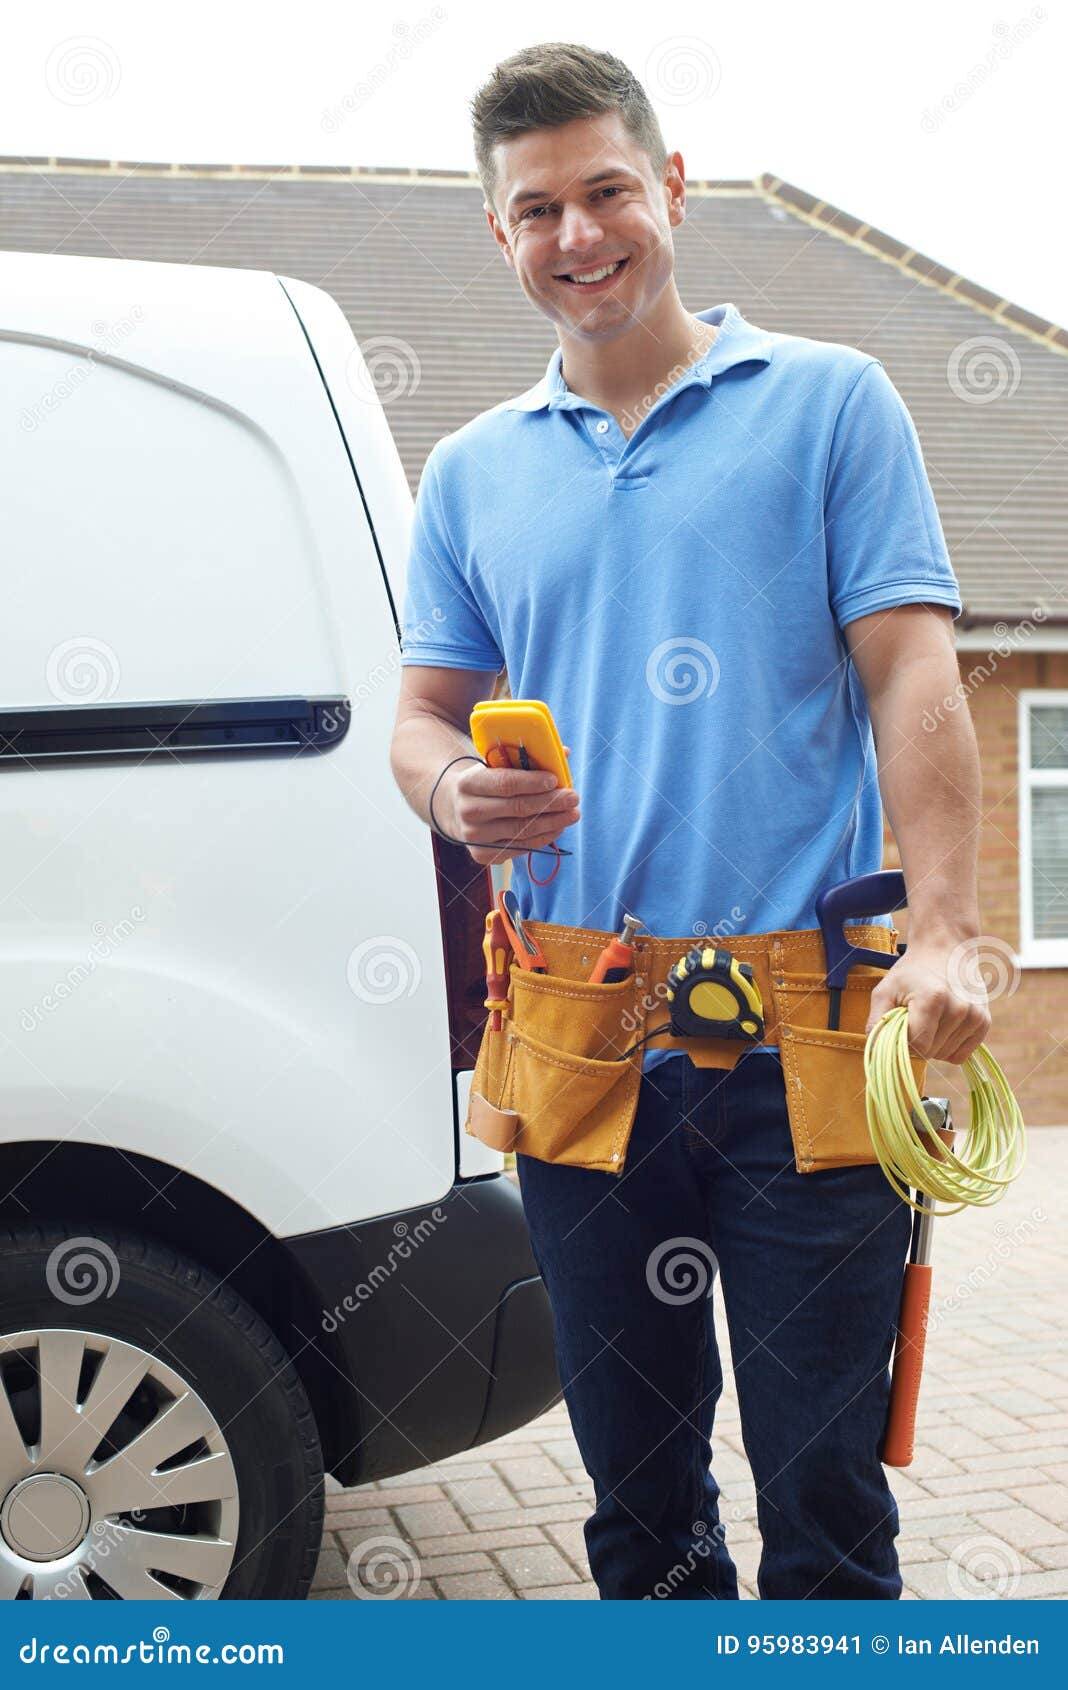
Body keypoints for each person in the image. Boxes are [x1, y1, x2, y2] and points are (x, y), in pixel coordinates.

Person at [390, 41, 990, 1599]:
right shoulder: (470, 474)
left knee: (823, 1495)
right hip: (581, 1041)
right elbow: (417, 720)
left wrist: (947, 932)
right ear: (499, 234)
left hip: (810, 1036)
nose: (577, 235)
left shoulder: (830, 406)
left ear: (670, 185)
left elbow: (916, 676)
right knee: (639, 1512)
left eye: (604, 191)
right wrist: (456, 785)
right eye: (537, 210)